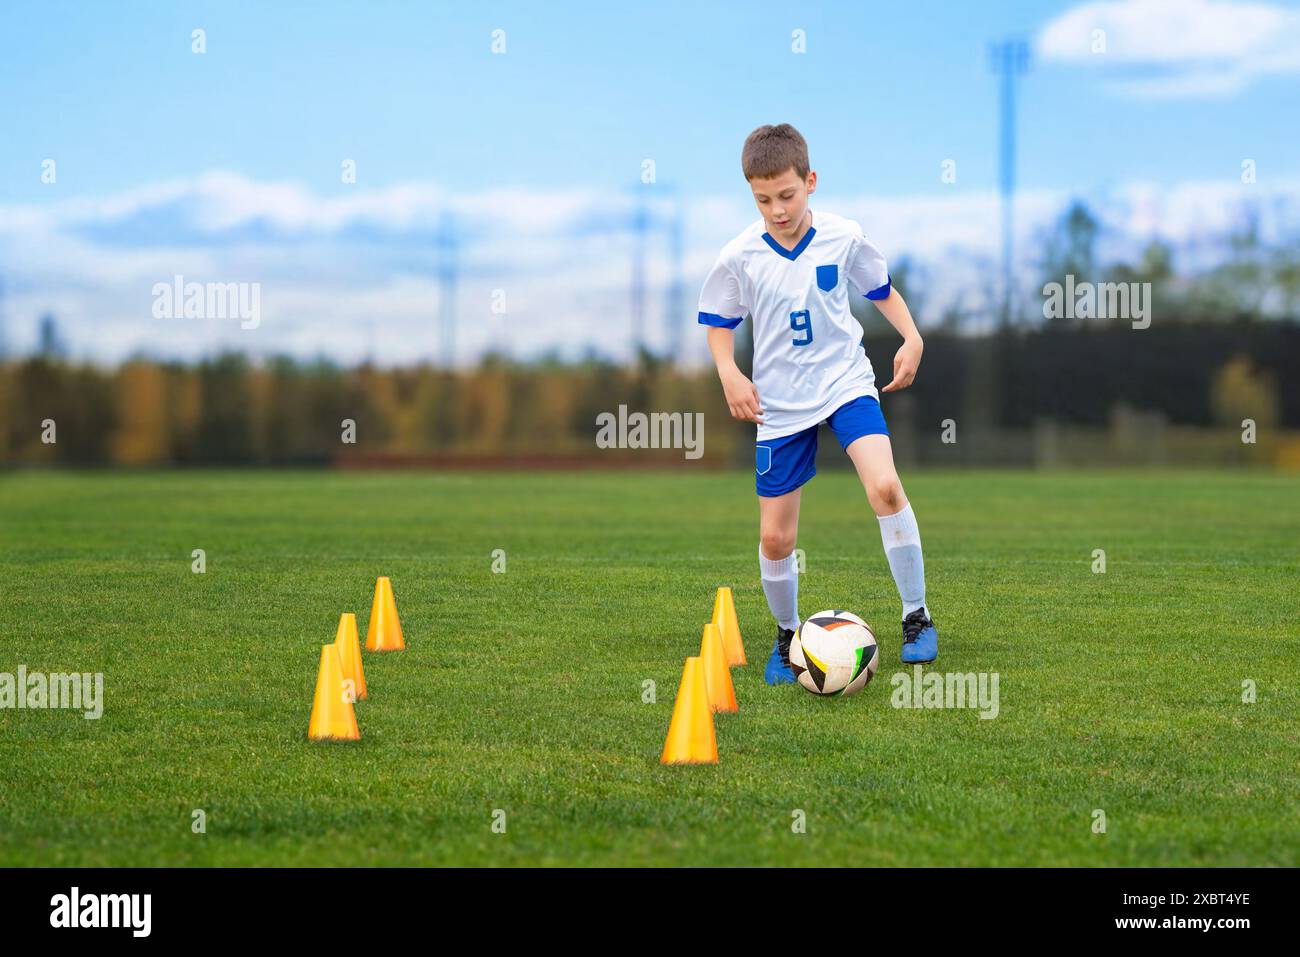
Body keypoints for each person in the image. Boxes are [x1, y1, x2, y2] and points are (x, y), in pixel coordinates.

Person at [697, 123, 938, 685]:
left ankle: (915, 616)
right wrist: (730, 372)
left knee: (885, 487)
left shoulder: (842, 236)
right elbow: (717, 322)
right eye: (763, 200)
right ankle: (787, 637)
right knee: (776, 538)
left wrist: (912, 336)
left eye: (787, 195)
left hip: (845, 382)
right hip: (778, 406)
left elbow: (880, 290)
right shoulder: (739, 257)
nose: (777, 209)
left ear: (810, 181)